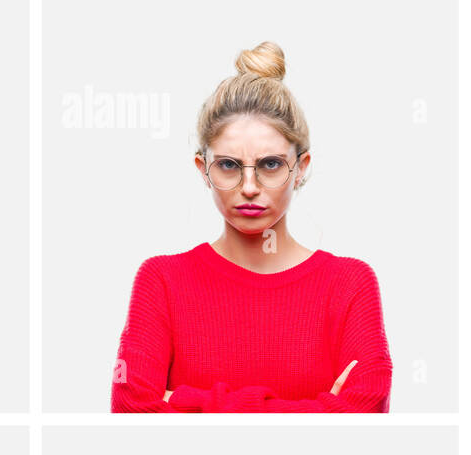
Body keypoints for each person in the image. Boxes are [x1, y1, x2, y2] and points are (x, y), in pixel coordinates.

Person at [110, 42, 390, 413]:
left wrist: (181, 400)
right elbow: (131, 410)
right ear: (203, 169)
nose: (249, 187)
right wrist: (318, 409)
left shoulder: (350, 283)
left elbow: (366, 414)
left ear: (301, 167)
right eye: (228, 165)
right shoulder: (161, 280)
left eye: (270, 164)